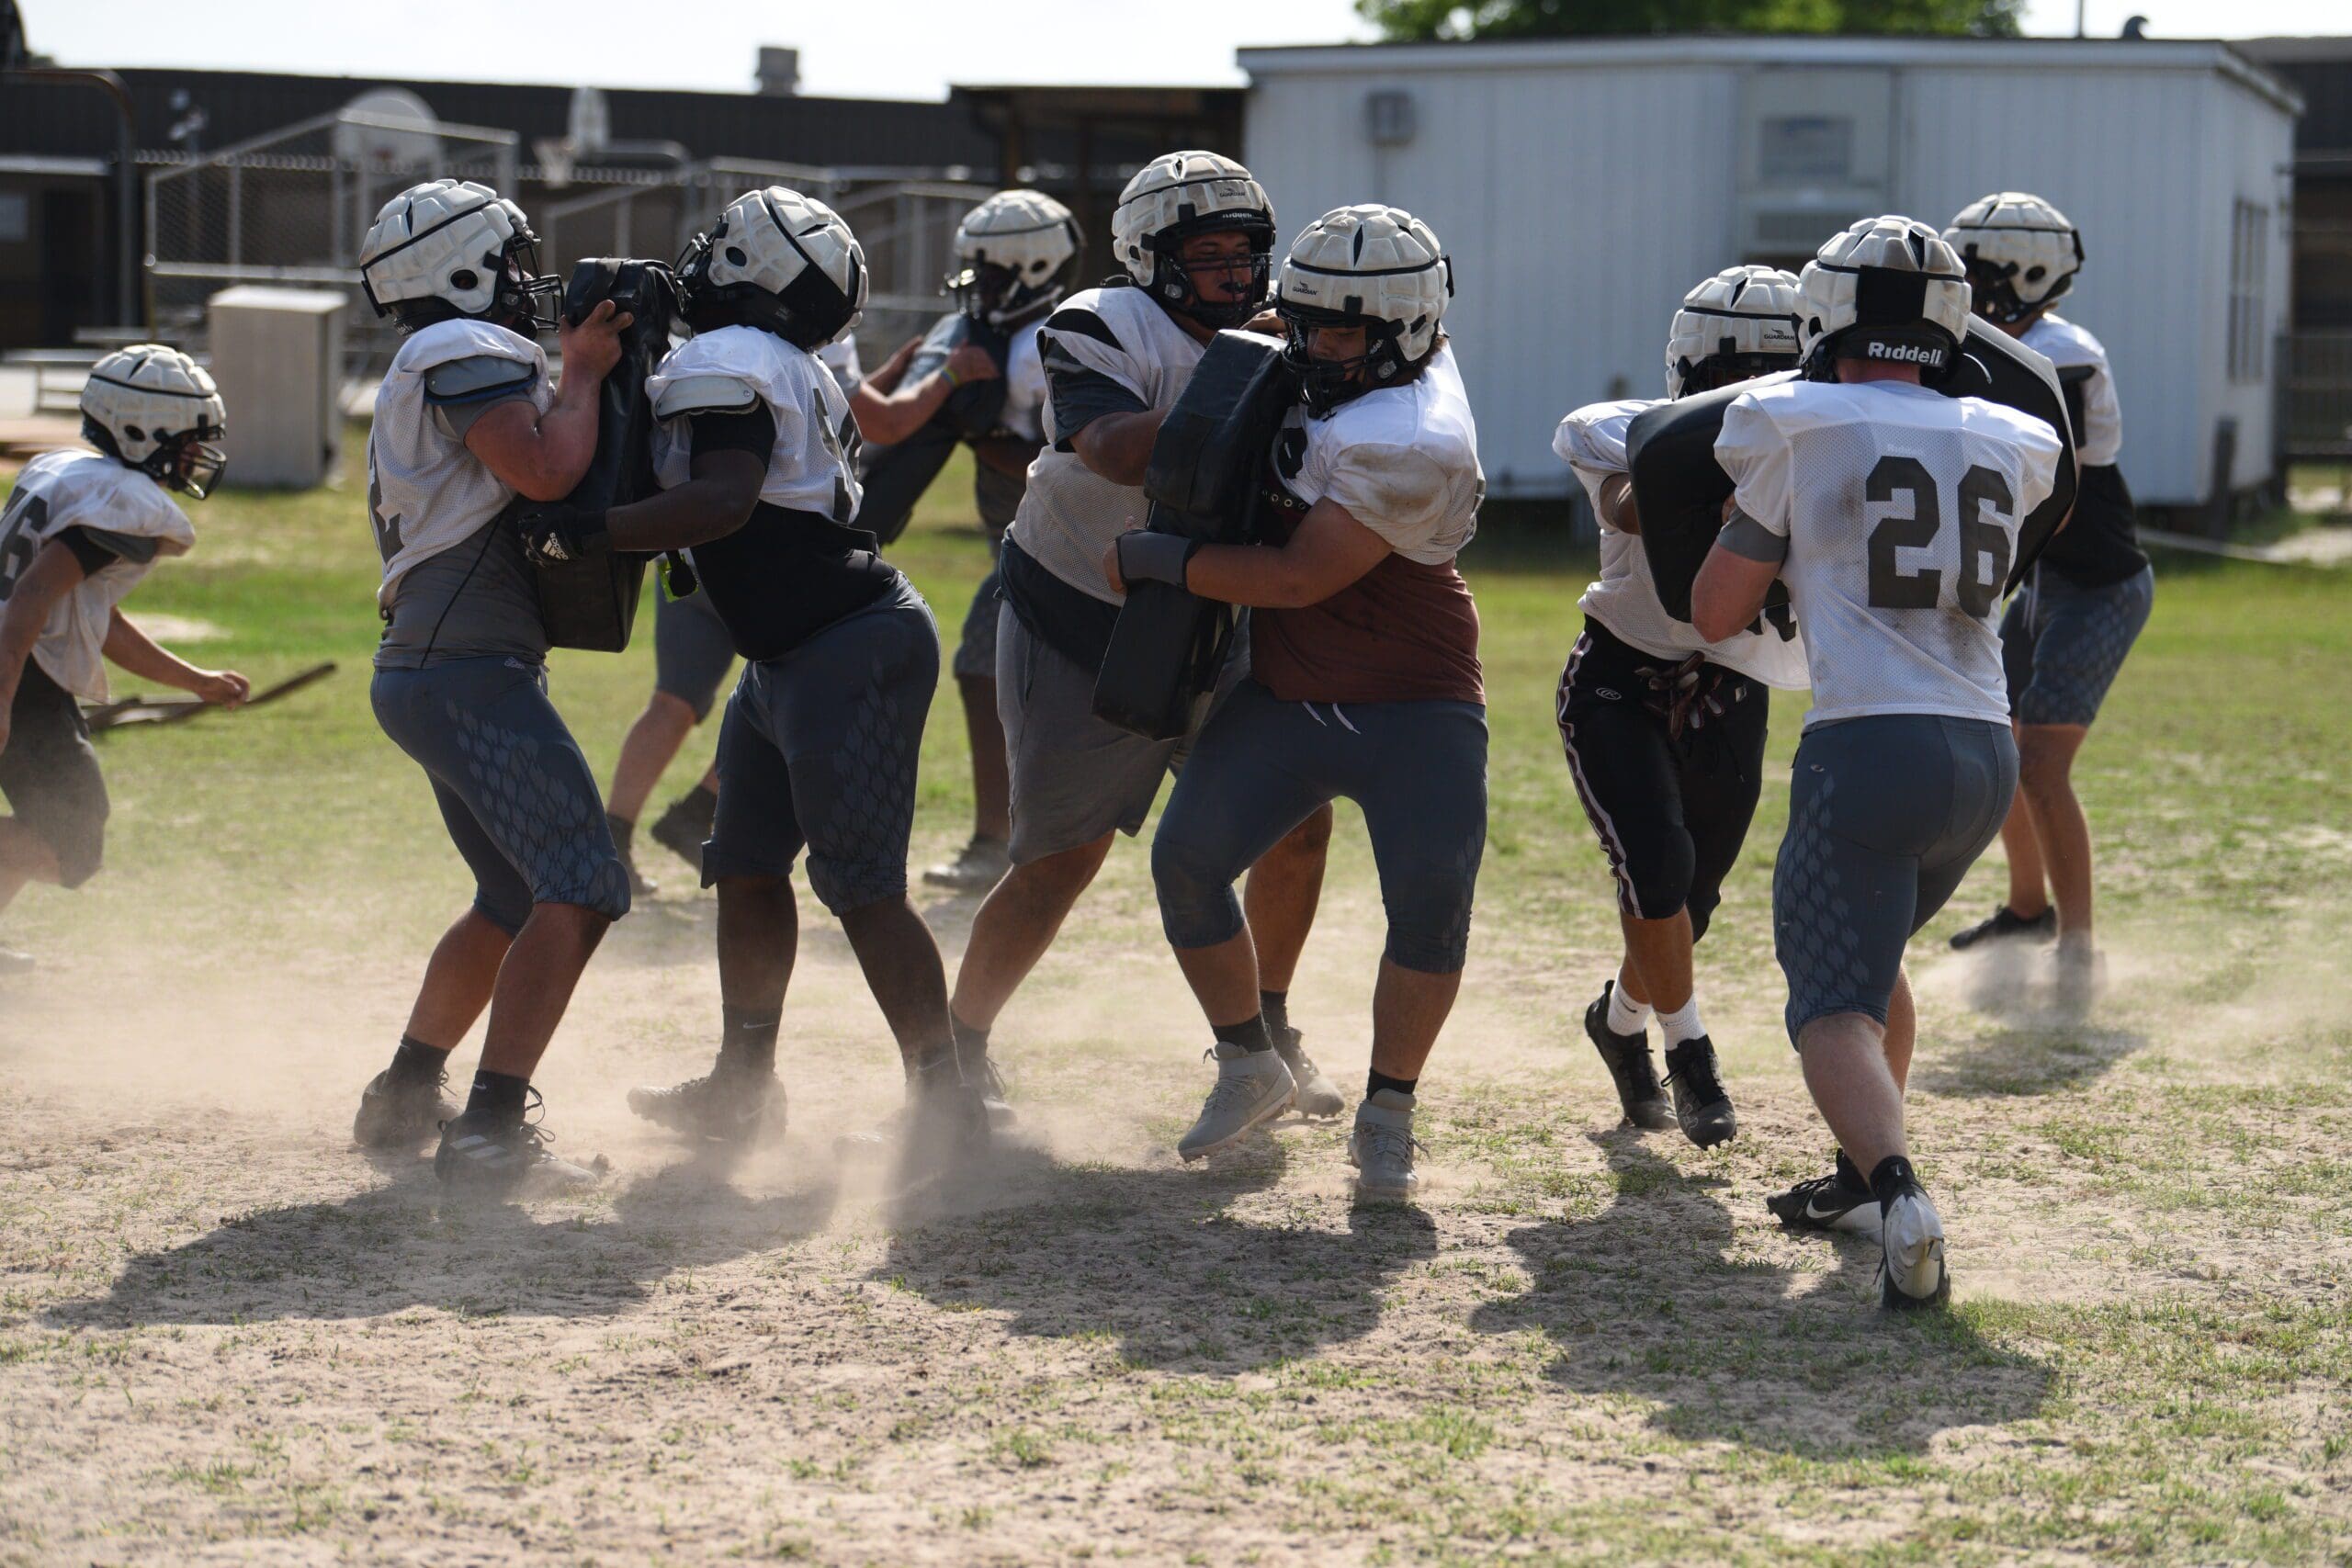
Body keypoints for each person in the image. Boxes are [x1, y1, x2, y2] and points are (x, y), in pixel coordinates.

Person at [521, 186, 986, 1158]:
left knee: (861, 886)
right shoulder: (779, 360)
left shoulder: (729, 357)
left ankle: (948, 1104)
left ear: (756, 273)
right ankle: (742, 1086)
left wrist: (583, 533)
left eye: (723, 246)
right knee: (740, 867)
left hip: (838, 641)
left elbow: (724, 500)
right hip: (797, 646)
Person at [1690, 216, 2063, 1305]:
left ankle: (1899, 1196)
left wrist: (1745, 531)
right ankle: (1862, 1178)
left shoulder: (1789, 421)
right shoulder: (2011, 433)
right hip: (1983, 752)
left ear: (1822, 317)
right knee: (1873, 956)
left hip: (1868, 744)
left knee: (1829, 1006)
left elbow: (1715, 611)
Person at [952, 151, 1337, 1116]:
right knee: (1057, 863)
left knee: (1297, 825)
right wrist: (1246, 370)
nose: (1234, 272)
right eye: (1207, 252)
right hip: (1081, 610)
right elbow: (1120, 450)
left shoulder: (1294, 331)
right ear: (1149, 257)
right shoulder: (1095, 322)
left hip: (1219, 603)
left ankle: (1272, 1036)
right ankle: (955, 1052)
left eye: (1245, 251)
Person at [1110, 204, 1485, 1197]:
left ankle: (1389, 1109)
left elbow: (1296, 578)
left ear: (1404, 331)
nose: (1312, 345)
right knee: (1186, 862)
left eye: (1337, 331)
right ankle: (1248, 1059)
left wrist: (1164, 561)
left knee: (1429, 909)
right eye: (1301, 320)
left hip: (1413, 703)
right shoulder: (1366, 355)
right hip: (1289, 693)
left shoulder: (1413, 431)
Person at [348, 179, 636, 1197]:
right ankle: (486, 1134)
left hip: (442, 663)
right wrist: (586, 374)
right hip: (460, 664)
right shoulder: (451, 350)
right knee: (586, 882)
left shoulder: (428, 356)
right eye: (508, 261)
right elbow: (548, 470)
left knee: (513, 892)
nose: (524, 280)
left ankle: (403, 1093)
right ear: (460, 268)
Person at [1552, 265, 1810, 1147]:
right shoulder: (1621, 432)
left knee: (1688, 903)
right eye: (1727, 378)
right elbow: (1631, 504)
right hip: (1621, 680)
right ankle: (1689, 1054)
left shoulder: (1817, 449)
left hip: (1729, 689)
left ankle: (1620, 1019)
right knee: (1655, 867)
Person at [1941, 193, 2153, 1013]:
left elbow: (2054, 490)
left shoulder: (2059, 353)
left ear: (2029, 276)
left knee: (2039, 766)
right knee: (1999, 750)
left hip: (2099, 587)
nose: (1964, 292)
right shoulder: (2010, 346)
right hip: (2048, 580)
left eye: (1979, 275)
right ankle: (2029, 911)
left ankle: (2079, 949)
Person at [847, 190, 1081, 893]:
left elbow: (1071, 458)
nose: (977, 288)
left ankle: (1003, 839)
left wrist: (979, 433)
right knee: (994, 673)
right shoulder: (993, 337)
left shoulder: (1054, 345)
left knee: (984, 666)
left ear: (1035, 268)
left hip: (1066, 545)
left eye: (992, 274)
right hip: (1024, 546)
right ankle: (1013, 835)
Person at [0, 345, 247, 972]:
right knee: (71, 839)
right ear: (144, 431)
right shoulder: (126, 501)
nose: (199, 454)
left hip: (21, 661)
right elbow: (29, 597)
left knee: (57, 823)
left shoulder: (66, 470)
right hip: (18, 669)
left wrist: (195, 682)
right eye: (191, 439)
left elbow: (90, 616)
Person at [606, 335, 865, 897]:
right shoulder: (807, 355)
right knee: (789, 694)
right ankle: (697, 810)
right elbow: (865, 425)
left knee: (675, 703)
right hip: (762, 562)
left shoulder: (709, 346)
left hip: (690, 556)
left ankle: (616, 837)